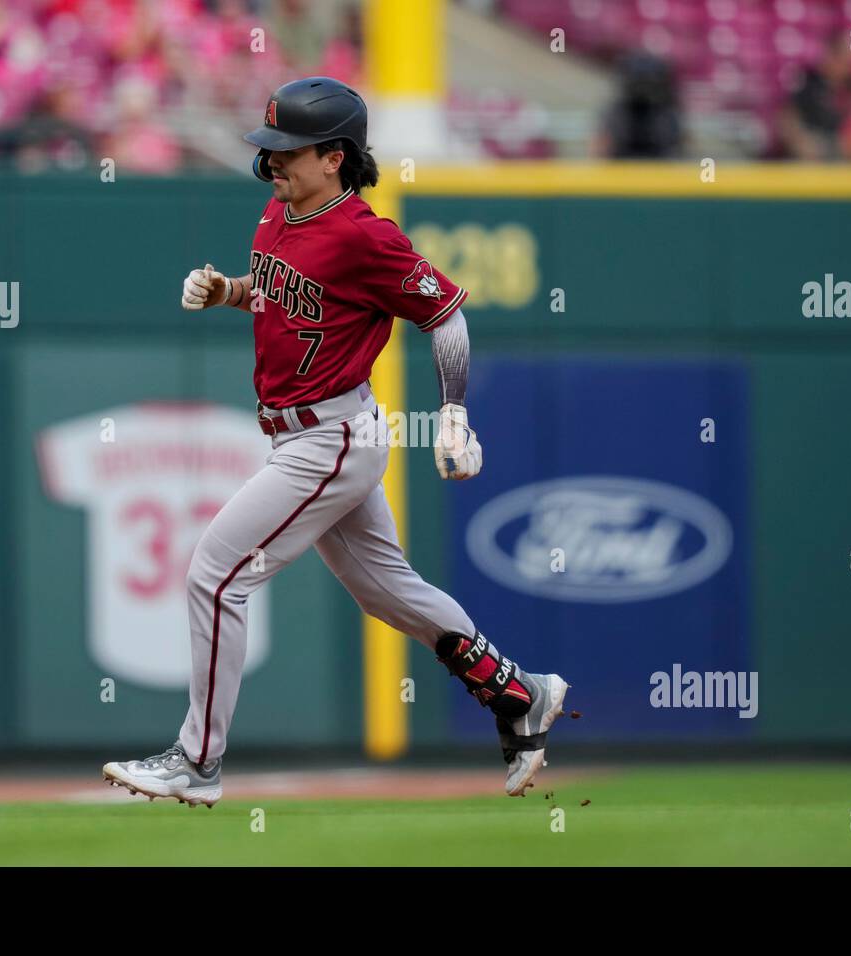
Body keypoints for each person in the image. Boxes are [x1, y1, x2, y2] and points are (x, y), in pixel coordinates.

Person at [103, 76, 569, 807]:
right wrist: (229, 291)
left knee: (217, 575)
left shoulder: (364, 235)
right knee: (390, 593)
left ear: (335, 158)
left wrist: (453, 412)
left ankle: (197, 760)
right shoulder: (278, 211)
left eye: (289, 150)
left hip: (331, 437)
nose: (273, 161)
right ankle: (518, 694)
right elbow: (284, 294)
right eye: (270, 147)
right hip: (304, 435)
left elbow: (445, 314)